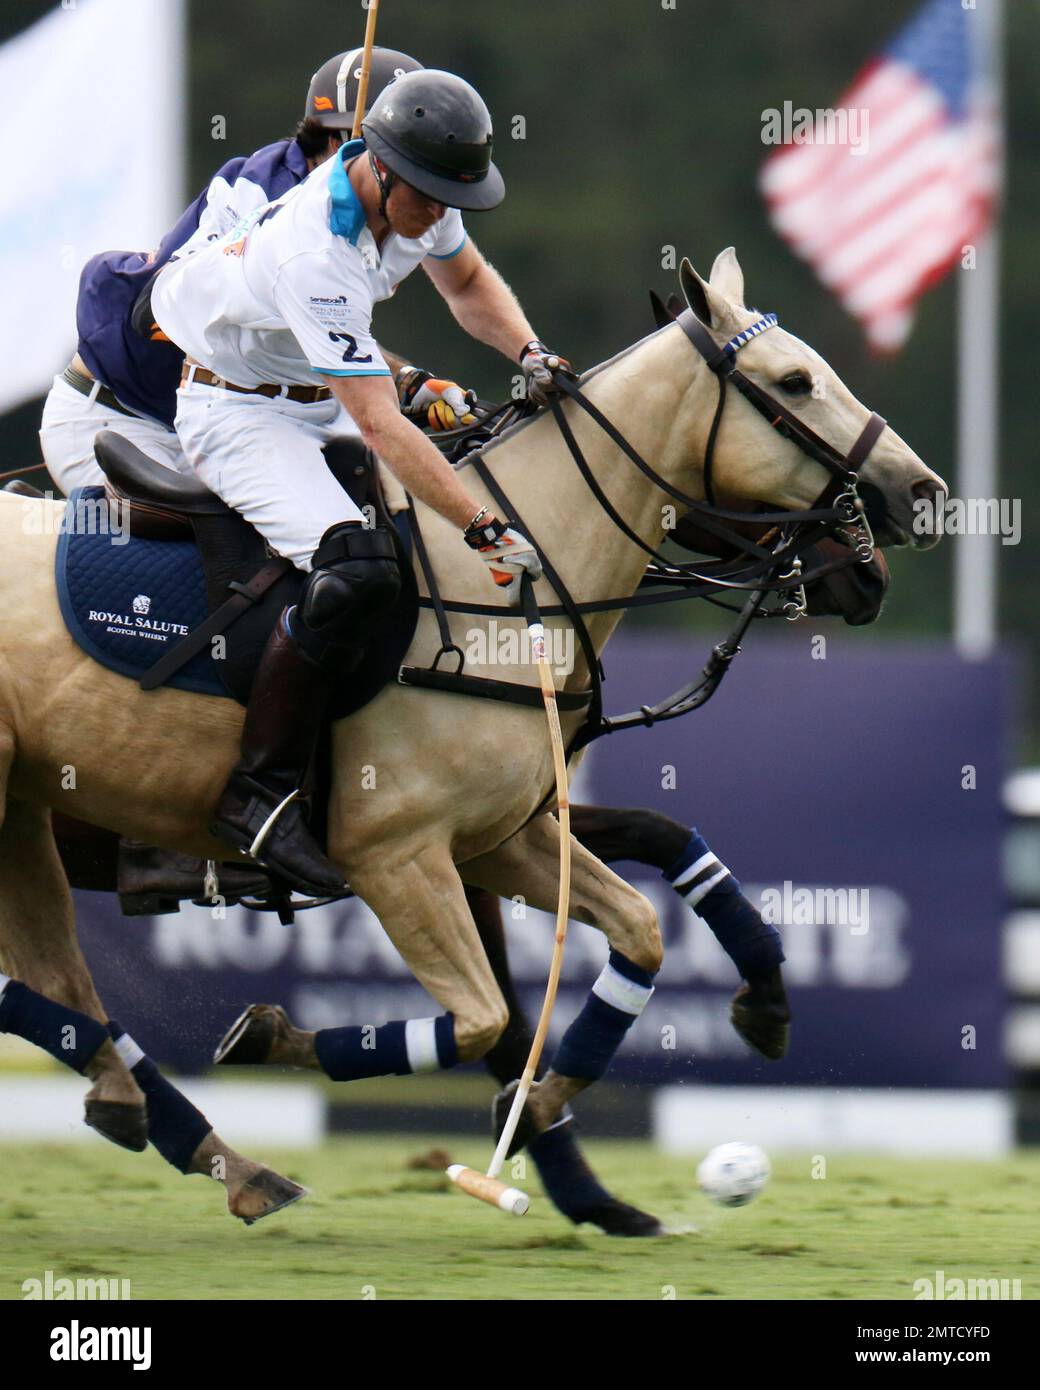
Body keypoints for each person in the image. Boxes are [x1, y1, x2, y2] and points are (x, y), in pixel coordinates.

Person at [149, 67, 572, 897]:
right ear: (376, 167)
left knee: (414, 538)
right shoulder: (319, 254)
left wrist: (531, 352)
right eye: (427, 194)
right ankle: (257, 796)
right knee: (359, 568)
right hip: (236, 410)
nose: (442, 212)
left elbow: (469, 283)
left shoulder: (421, 198)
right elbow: (381, 422)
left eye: (456, 195)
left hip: (311, 392)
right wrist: (484, 527)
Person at [38, 46, 478, 496]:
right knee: (240, 551)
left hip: (241, 415)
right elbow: (162, 315)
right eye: (381, 151)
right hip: (119, 419)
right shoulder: (258, 195)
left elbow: (453, 287)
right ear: (332, 139)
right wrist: (404, 379)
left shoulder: (392, 210)